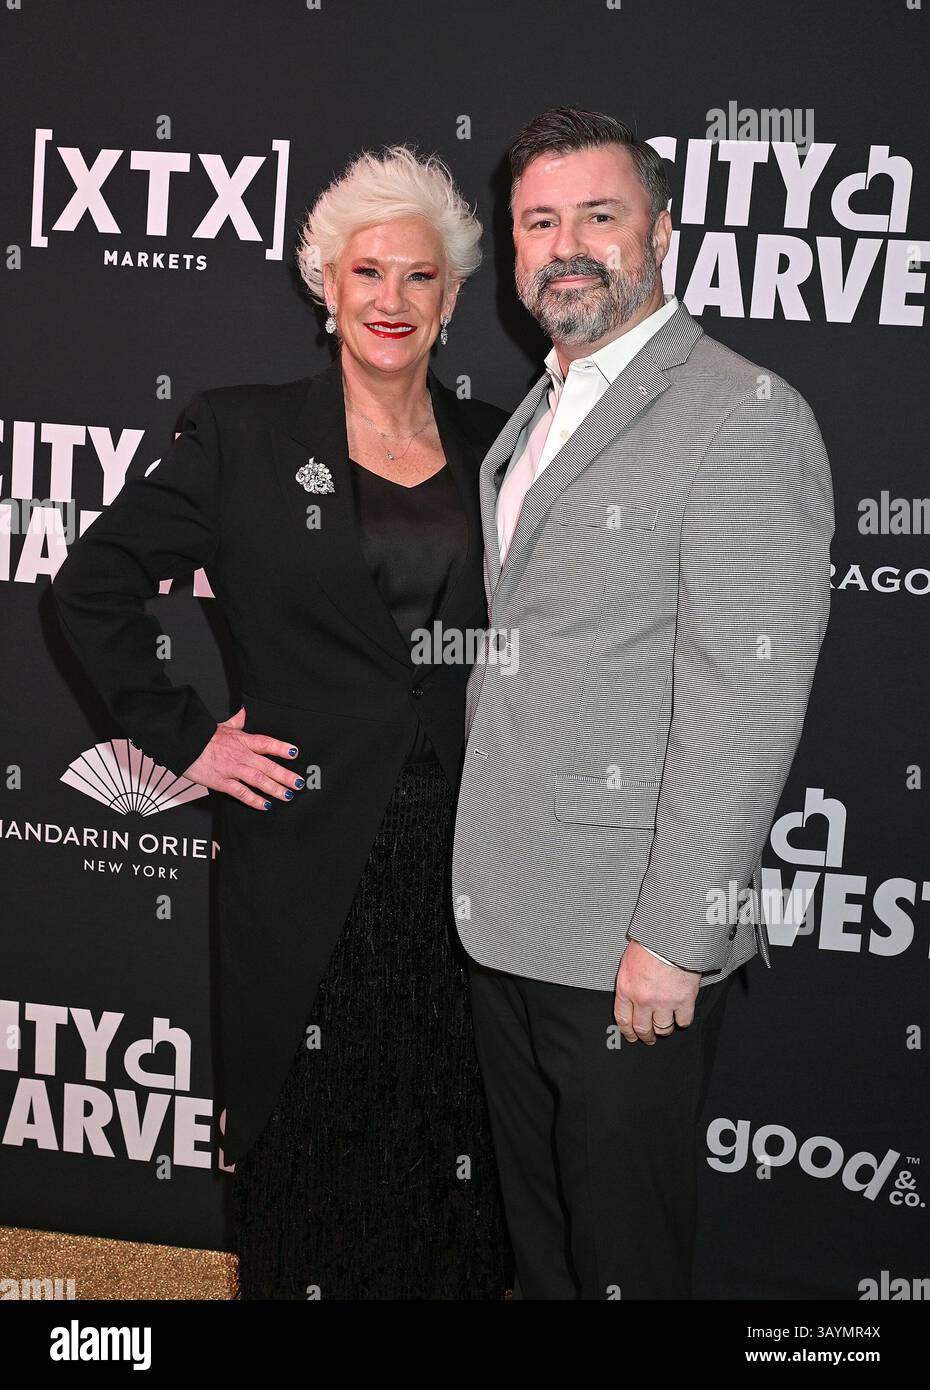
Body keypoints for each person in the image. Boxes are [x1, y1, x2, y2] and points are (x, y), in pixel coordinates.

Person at [51, 144, 513, 1299]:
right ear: (327, 287)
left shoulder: (502, 445)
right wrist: (186, 735)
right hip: (304, 859)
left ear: (452, 299)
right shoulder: (242, 435)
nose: (391, 302)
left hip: (473, 868)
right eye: (367, 274)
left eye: (418, 279)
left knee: (455, 1163)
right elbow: (91, 586)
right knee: (312, 1156)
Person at [451, 107, 835, 1299]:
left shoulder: (741, 412)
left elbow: (747, 697)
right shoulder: (540, 405)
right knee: (545, 1250)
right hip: (507, 916)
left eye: (599, 216)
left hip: (630, 937)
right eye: (538, 221)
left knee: (622, 1257)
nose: (566, 245)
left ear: (663, 231)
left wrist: (679, 934)